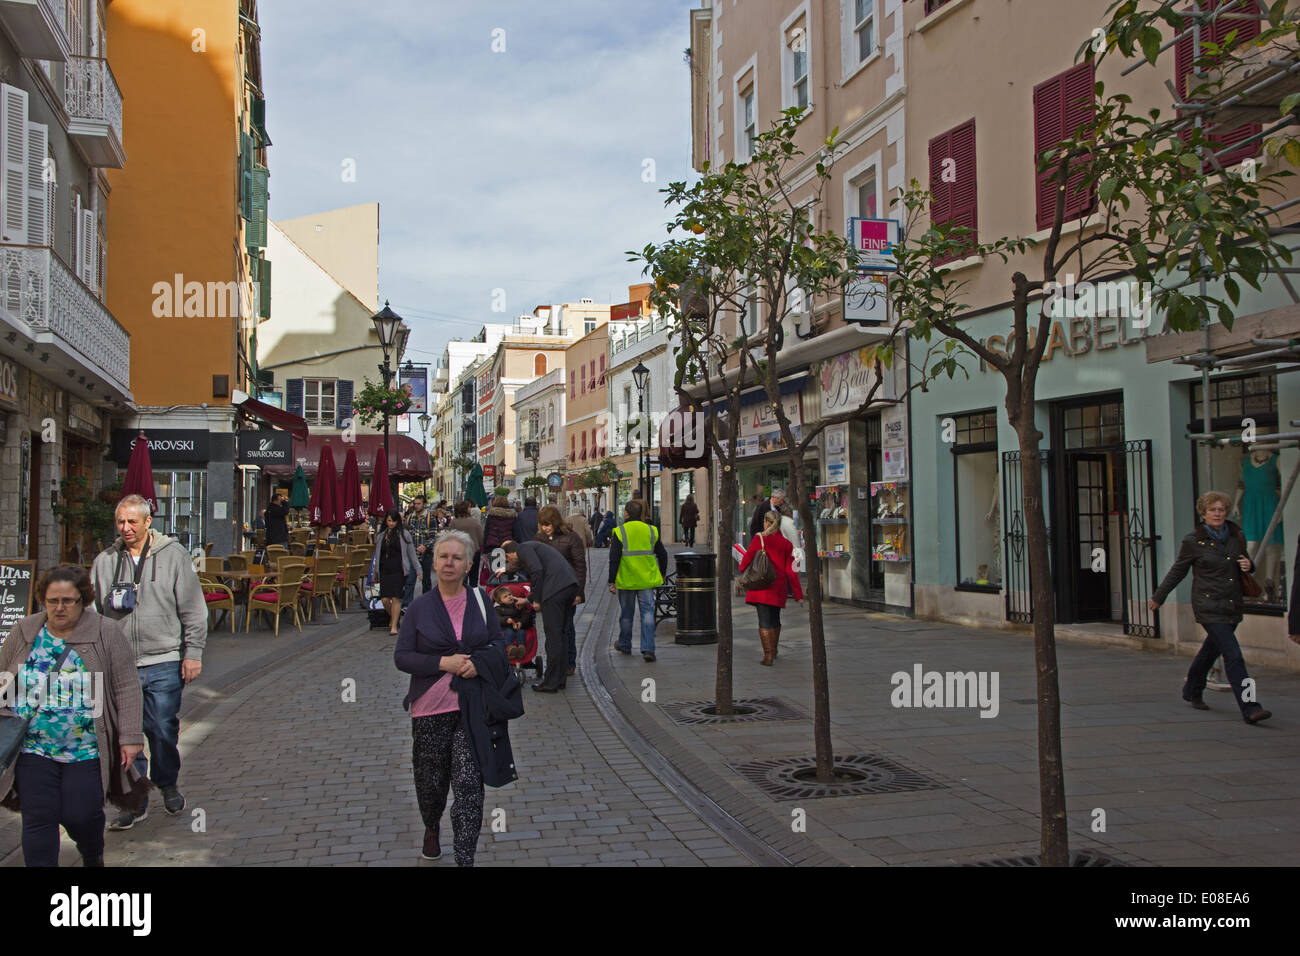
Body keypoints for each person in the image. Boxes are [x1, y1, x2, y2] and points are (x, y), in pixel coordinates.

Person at [0, 566, 147, 867]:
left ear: (83, 600)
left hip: (87, 749)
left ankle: (92, 853)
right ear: (42, 599)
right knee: (38, 817)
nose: (60, 608)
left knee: (80, 814)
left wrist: (131, 738)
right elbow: (2, 679)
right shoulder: (25, 631)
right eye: (53, 601)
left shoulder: (106, 632)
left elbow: (127, 687)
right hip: (34, 747)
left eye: (69, 600)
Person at [395, 530, 517, 867]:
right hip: (429, 710)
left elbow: (496, 645)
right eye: (443, 557)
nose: (449, 563)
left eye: (456, 558)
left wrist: (477, 664)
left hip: (470, 707)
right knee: (431, 784)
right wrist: (441, 663)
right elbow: (402, 657)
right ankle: (432, 826)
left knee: (467, 786)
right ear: (434, 563)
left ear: (467, 565)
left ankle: (466, 858)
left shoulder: (479, 601)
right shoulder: (419, 608)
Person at [91, 494, 207, 831]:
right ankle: (136, 799)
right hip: (121, 665)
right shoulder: (105, 561)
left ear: (147, 522)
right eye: (120, 522)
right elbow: (95, 614)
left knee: (161, 728)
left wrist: (193, 653)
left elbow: (193, 608)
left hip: (164, 659)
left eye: (132, 522)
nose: (125, 528)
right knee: (126, 736)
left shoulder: (172, 556)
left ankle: (167, 782)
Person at [1149, 491, 1272, 724]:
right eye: (1213, 509)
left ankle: (1192, 689)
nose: (1218, 514)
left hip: (1232, 604)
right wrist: (1159, 596)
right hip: (1207, 604)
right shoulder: (1193, 540)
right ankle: (1250, 706)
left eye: (1221, 509)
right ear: (1203, 513)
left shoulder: (1237, 536)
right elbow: (1178, 570)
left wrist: (1249, 565)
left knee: (1210, 651)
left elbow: (1244, 563)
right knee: (1233, 655)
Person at [502, 540, 578, 692]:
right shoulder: (533, 547)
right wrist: (528, 599)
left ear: (510, 554)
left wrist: (536, 599)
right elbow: (528, 566)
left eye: (507, 559)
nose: (508, 561)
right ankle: (559, 679)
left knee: (553, 637)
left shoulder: (523, 548)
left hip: (555, 590)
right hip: (569, 585)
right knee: (561, 635)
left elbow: (537, 570)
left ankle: (550, 682)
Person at [739, 509, 803, 665]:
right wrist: (798, 594)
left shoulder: (759, 539)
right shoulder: (786, 544)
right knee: (775, 620)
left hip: (762, 586)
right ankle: (773, 651)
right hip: (778, 588)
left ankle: (768, 655)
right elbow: (791, 571)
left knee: (764, 621)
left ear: (766, 523)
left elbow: (745, 563)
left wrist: (742, 571)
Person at [608, 499, 669, 662]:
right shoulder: (651, 530)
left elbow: (614, 558)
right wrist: (663, 573)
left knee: (627, 614)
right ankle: (648, 649)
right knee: (648, 613)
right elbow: (662, 554)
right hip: (646, 579)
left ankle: (625, 644)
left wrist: (611, 581)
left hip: (627, 579)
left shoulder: (620, 531)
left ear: (626, 514)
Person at [535, 506, 587, 676]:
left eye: (548, 524)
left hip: (567, 589)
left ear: (556, 522)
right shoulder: (539, 539)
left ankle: (569, 662)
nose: (545, 528)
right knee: (552, 629)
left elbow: (580, 565)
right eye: (542, 524)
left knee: (567, 627)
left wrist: (579, 592)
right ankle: (555, 663)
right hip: (548, 591)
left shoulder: (571, 538)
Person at [374, 512, 419, 636]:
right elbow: (377, 555)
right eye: (389, 521)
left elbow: (412, 554)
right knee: (384, 599)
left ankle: (393, 626)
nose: (391, 523)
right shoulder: (381, 535)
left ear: (398, 522)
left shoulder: (404, 535)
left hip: (398, 569)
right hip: (384, 570)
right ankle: (395, 616)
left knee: (396, 597)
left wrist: (418, 570)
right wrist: (375, 573)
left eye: (393, 521)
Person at [481, 495, 518, 584]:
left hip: (493, 547)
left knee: (495, 572)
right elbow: (515, 532)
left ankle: (495, 592)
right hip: (508, 548)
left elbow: (486, 532)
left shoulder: (491, 515)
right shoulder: (512, 516)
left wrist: (485, 549)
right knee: (507, 571)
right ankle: (506, 591)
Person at [491, 585, 534, 661]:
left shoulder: (518, 604)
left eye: (510, 594)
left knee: (521, 632)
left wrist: (521, 622)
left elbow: (526, 615)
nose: (509, 597)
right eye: (505, 596)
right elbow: (497, 619)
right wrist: (505, 620)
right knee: (509, 632)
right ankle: (510, 648)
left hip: (518, 625)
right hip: (506, 627)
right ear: (500, 601)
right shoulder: (498, 608)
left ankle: (521, 647)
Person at [407, 495, 437, 595]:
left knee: (426, 580)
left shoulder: (430, 518)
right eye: (415, 504)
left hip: (426, 554)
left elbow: (434, 536)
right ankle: (407, 605)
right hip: (412, 554)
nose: (416, 506)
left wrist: (425, 545)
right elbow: (406, 534)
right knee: (410, 581)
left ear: (424, 504)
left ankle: (426, 602)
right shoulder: (410, 518)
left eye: (418, 504)